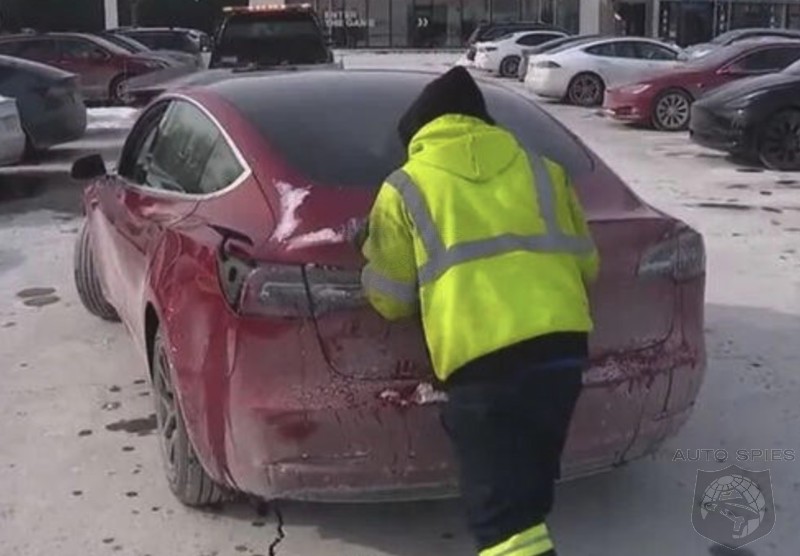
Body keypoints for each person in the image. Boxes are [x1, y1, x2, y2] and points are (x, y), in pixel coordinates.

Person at [358, 66, 599, 556]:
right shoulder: (543, 170)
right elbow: (587, 266)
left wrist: (368, 256)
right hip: (562, 355)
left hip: (485, 365)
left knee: (502, 526)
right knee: (527, 496)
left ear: (418, 135)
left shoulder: (404, 188)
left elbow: (391, 299)